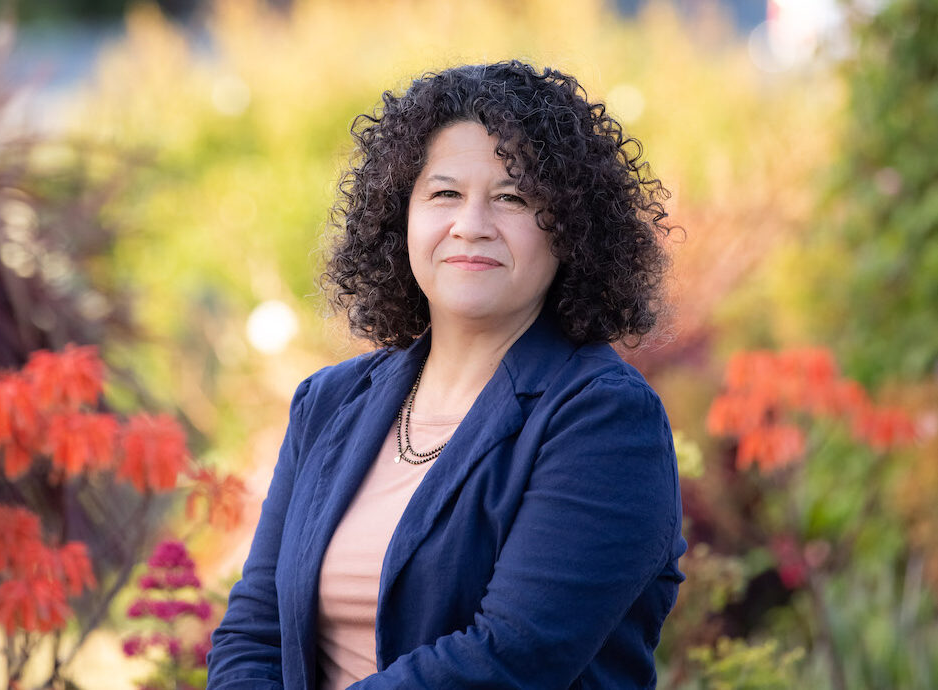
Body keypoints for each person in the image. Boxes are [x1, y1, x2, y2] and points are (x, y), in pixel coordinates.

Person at [207, 60, 686, 689]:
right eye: (444, 193)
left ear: (569, 230)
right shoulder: (327, 403)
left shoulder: (604, 419)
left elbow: (508, 659)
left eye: (512, 197)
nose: (471, 224)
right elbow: (254, 630)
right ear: (399, 217)